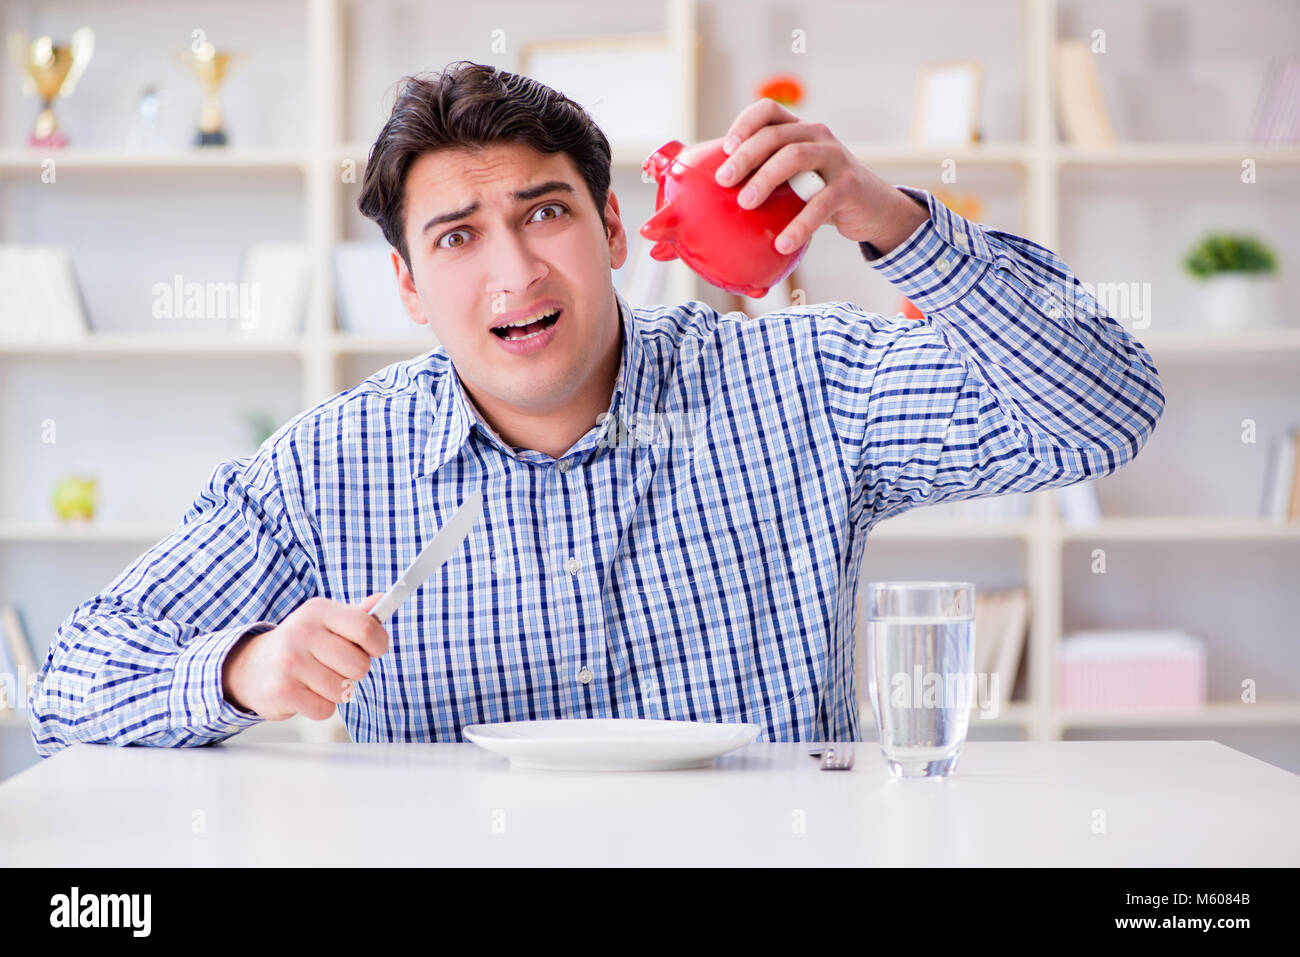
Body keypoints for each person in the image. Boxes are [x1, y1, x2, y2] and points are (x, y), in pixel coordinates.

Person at [29, 61, 1164, 755]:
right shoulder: (330, 465)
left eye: (546, 214)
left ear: (615, 233)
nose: (516, 273)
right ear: (411, 289)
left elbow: (1103, 410)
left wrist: (889, 221)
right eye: (458, 238)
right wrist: (243, 670)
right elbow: (70, 685)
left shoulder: (800, 386)